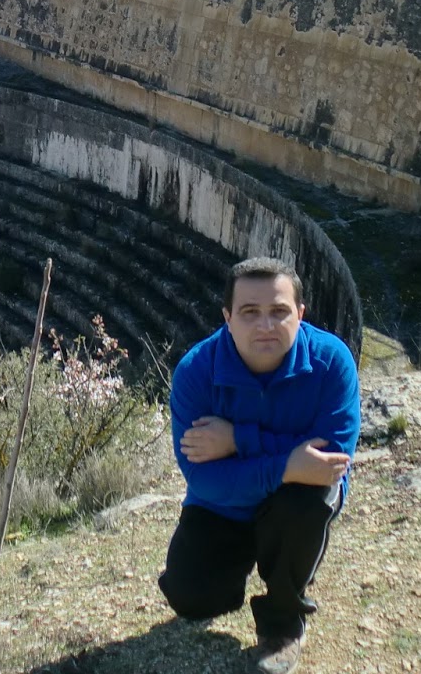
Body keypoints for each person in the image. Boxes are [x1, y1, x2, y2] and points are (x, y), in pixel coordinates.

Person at [158, 256, 360, 674]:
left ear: (300, 314)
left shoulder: (331, 362)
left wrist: (237, 439)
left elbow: (331, 464)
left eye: (279, 312)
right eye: (250, 312)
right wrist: (288, 462)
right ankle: (248, 563)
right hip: (224, 505)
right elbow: (203, 480)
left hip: (295, 501)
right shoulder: (196, 371)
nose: (265, 325)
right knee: (192, 597)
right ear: (227, 317)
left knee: (306, 500)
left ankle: (283, 624)